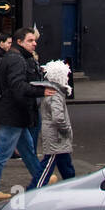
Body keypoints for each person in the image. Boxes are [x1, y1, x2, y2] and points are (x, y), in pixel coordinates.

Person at [0, 27, 54, 201]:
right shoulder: (16, 60)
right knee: (2, 151)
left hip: (17, 112)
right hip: (13, 113)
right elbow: (17, 87)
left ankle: (41, 179)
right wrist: (41, 91)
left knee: (27, 150)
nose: (34, 43)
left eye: (34, 40)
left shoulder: (15, 57)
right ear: (19, 42)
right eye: (30, 40)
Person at [31, 59, 76, 189]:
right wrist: (66, 130)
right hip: (57, 137)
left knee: (66, 165)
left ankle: (73, 187)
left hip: (55, 136)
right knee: (48, 165)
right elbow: (58, 118)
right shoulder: (56, 94)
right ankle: (35, 189)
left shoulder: (53, 91)